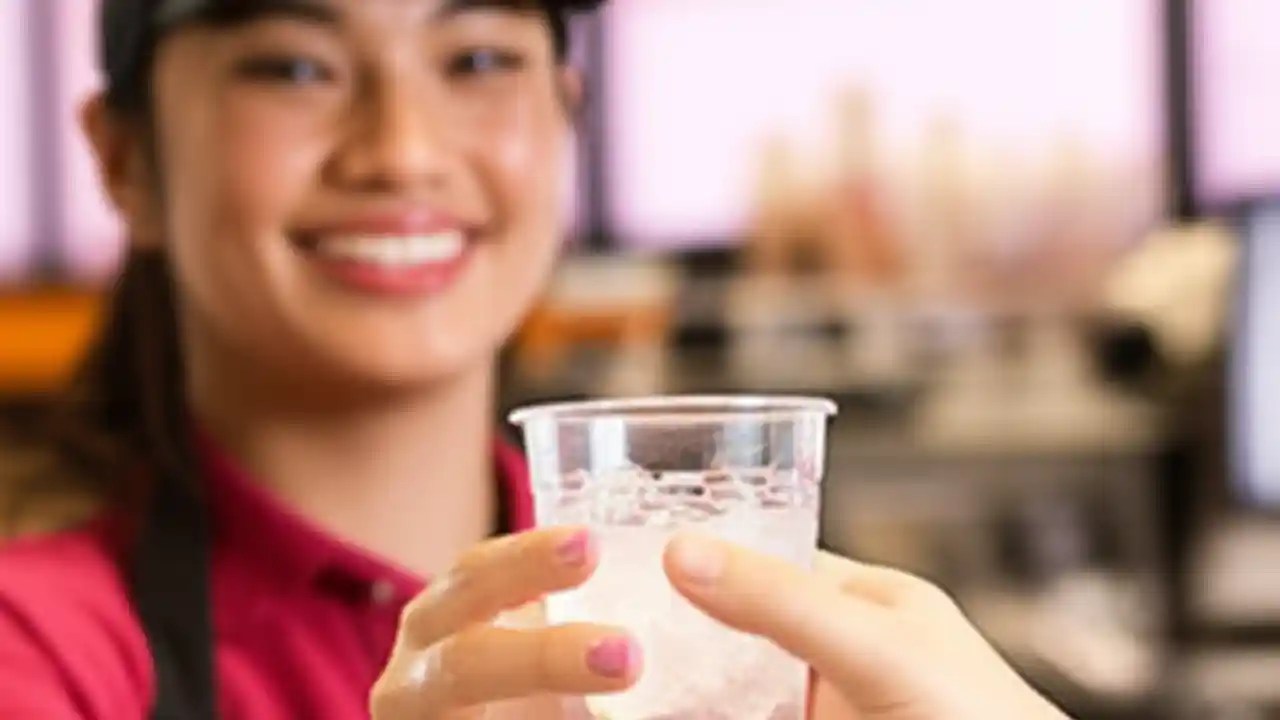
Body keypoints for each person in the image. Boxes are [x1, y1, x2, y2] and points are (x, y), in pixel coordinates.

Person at [0, 1, 1070, 718]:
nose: (402, 150)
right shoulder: (37, 652)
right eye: (294, 66)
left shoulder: (712, 611)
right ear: (124, 159)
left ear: (566, 122)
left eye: (475, 58)